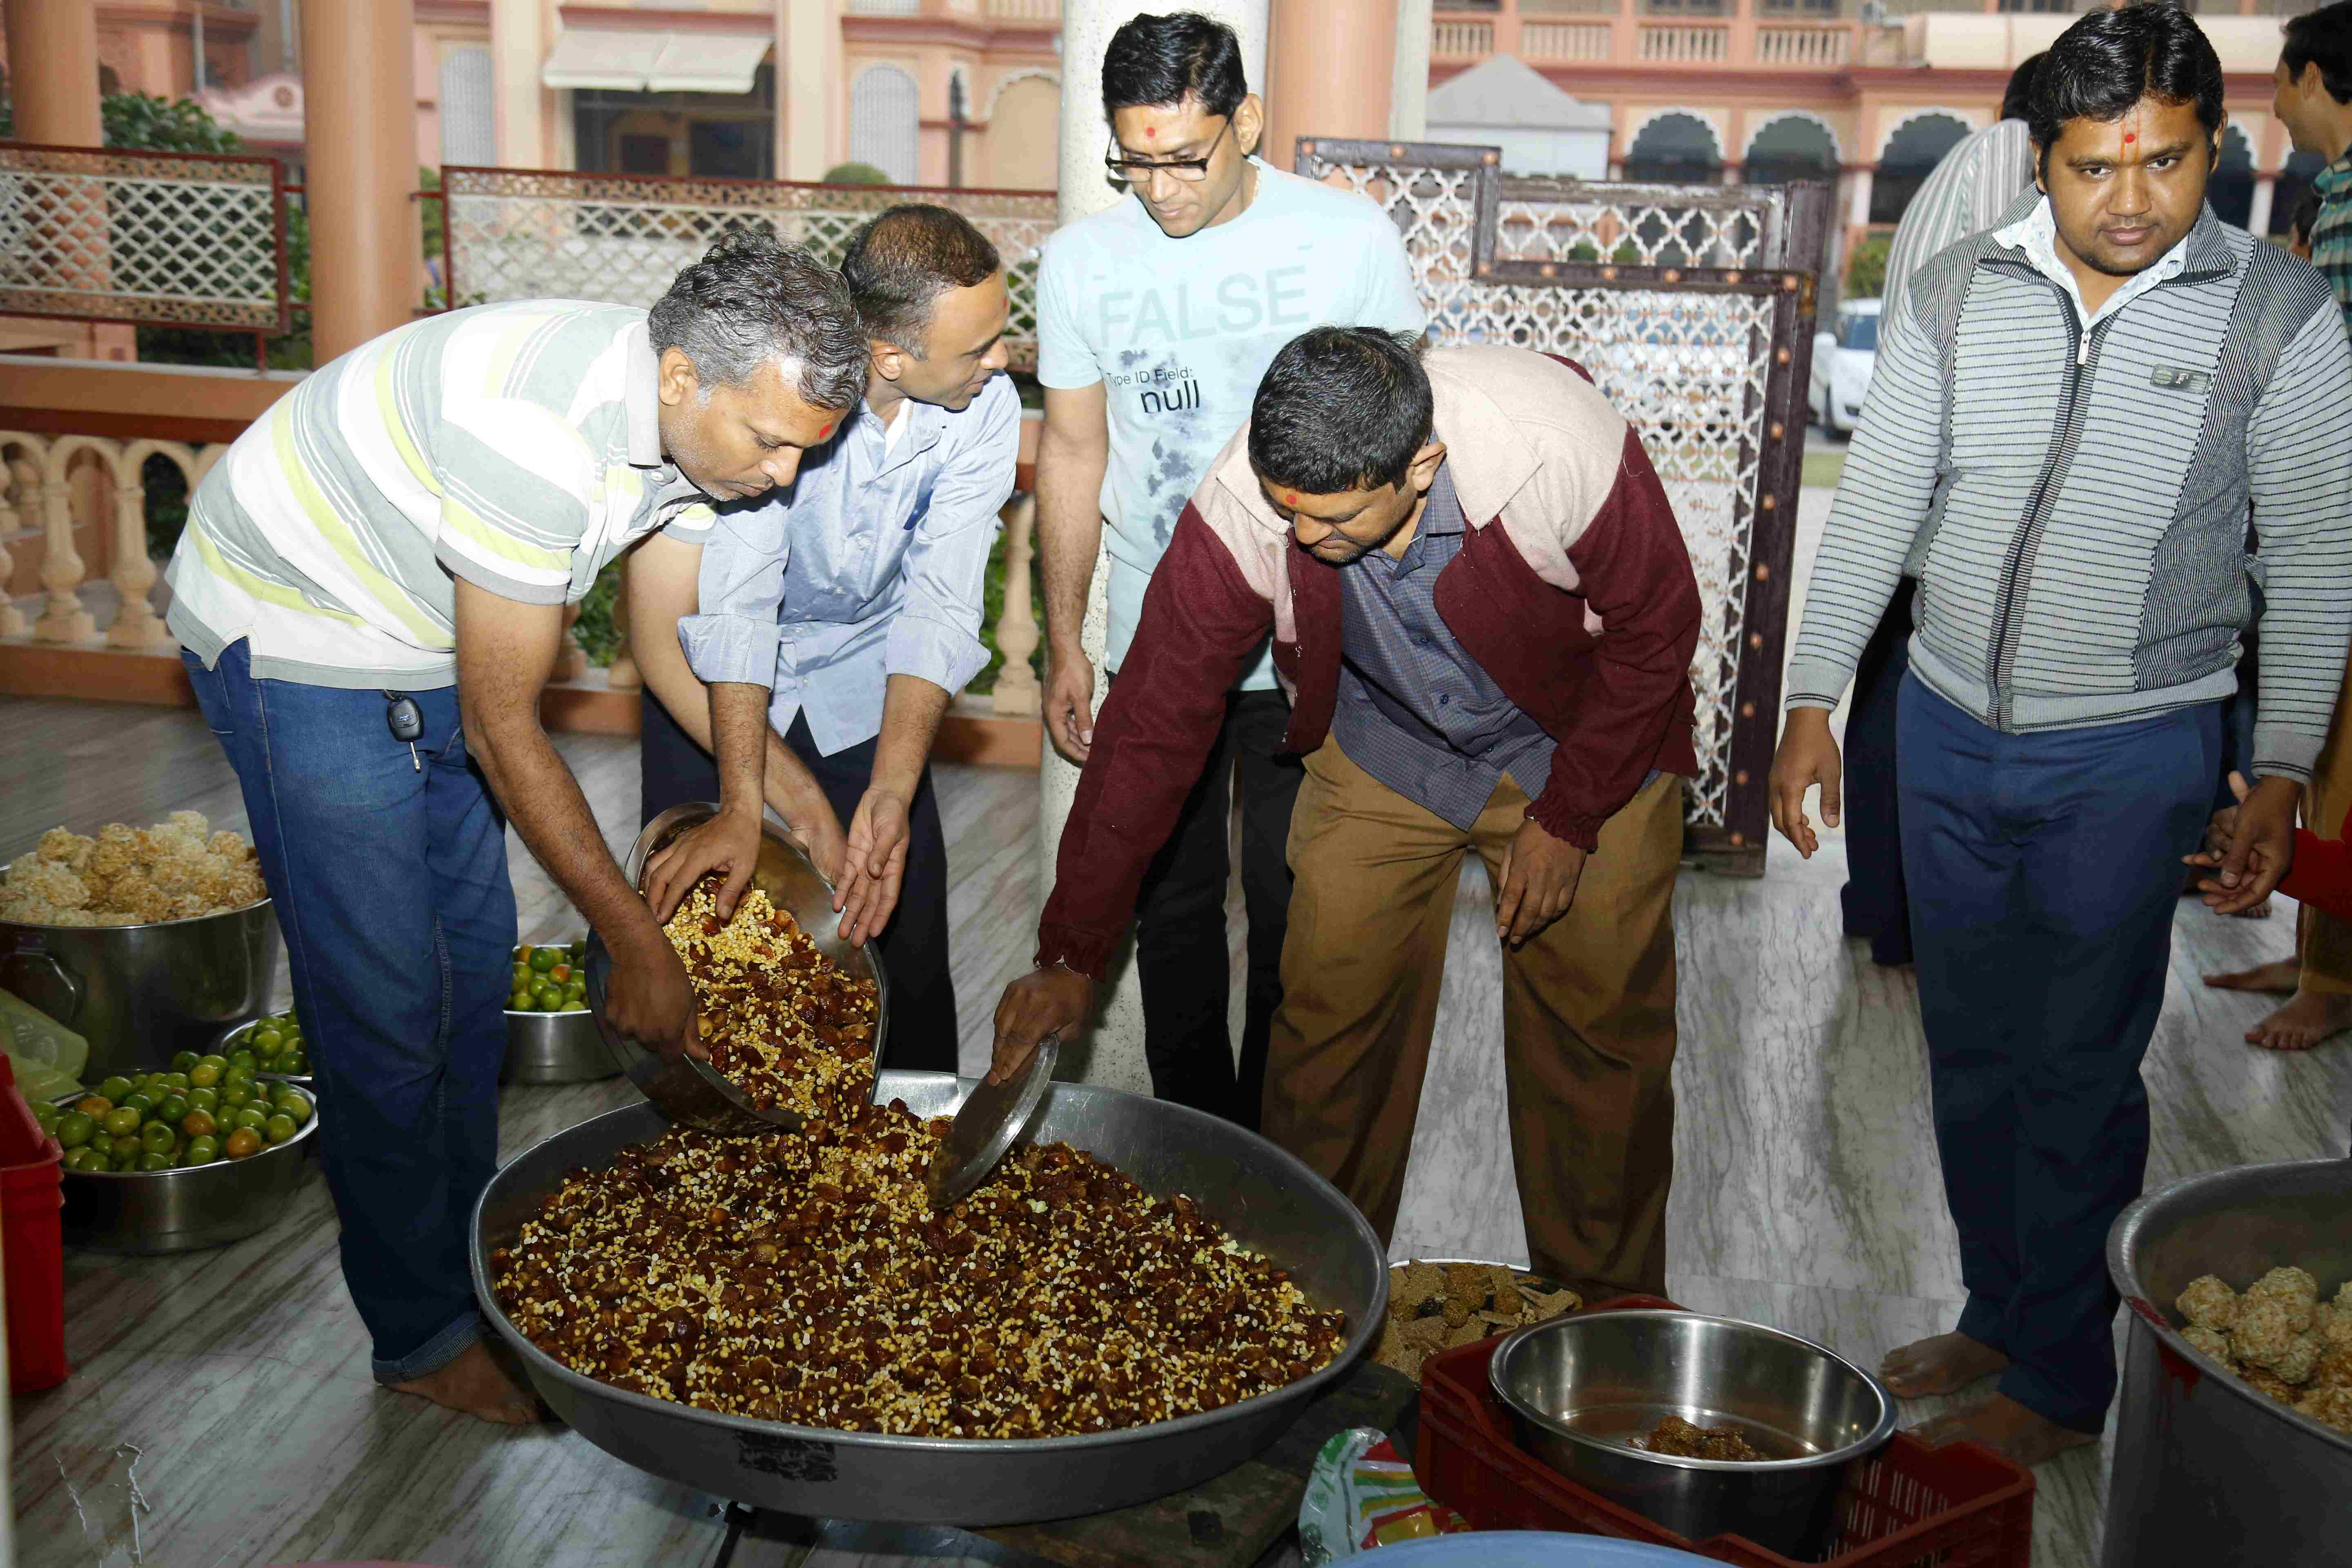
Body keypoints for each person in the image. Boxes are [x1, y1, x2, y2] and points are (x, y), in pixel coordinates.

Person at [1769, 5, 2352, 1465]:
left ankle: (2063, 1377)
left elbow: (2315, 556)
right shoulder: (1959, 288)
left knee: (2078, 1067)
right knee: (1967, 1052)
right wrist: (1813, 698)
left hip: (2134, 749)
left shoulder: (2282, 317)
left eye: (2167, 160)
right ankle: (2002, 1307)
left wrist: (2284, 765)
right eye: (2095, 166)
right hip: (1945, 729)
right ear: (2043, 157)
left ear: (2219, 147)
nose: (2132, 199)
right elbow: (1881, 501)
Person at [164, 231, 870, 1423]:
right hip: (294, 626)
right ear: (682, 377)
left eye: (805, 450)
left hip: (429, 630)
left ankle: (471, 1273)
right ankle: (420, 1333)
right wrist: (637, 946)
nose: (785, 478)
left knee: (473, 971)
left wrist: (774, 801)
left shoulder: (697, 445)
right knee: (386, 1007)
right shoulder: (540, 440)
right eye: (770, 442)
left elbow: (667, 647)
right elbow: (505, 730)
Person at [994, 329, 1701, 1300]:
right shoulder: (1250, 498)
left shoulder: (1553, 443)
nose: (1302, 538)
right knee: (1326, 1027)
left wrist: (1573, 817)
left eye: (1334, 520)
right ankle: (1312, 1309)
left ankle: (1605, 1324)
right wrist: (1071, 951)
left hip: (1583, 739)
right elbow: (1153, 721)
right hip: (1387, 744)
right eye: (1290, 512)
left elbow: (1658, 629)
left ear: (1421, 466)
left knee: (1599, 1040)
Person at [1032, 11, 1425, 1127]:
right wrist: (1067, 639)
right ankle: (1199, 1146)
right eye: (1134, 162)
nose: (1159, 191)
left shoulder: (1348, 241)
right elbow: (1072, 451)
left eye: (1185, 159)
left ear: (1246, 122)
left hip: (1321, 638)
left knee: (1300, 905)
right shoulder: (1081, 264)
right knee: (1170, 906)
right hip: (1160, 640)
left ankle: (1278, 1147)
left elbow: (1401, 447)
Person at [629, 206, 1019, 1069]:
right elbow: (740, 603)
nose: (1002, 361)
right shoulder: (788, 390)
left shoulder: (986, 411)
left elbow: (941, 602)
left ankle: (911, 1130)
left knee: (900, 942)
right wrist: (758, 805)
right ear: (891, 356)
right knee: (702, 950)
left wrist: (893, 787)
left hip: (863, 679)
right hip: (716, 675)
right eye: (979, 347)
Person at [1836, 53, 2045, 969]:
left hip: (1925, 483)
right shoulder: (2009, 152)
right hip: (1944, 493)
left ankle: (1881, 905)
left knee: (1894, 694)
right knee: (1912, 706)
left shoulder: (1966, 160)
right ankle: (1905, 916)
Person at [2202, 0, 2352, 1048]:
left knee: (2332, 757)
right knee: (2312, 737)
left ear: (2313, 77)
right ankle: (2313, 952)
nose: (2274, 103)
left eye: (2281, 78)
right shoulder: (2332, 196)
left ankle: (2331, 982)